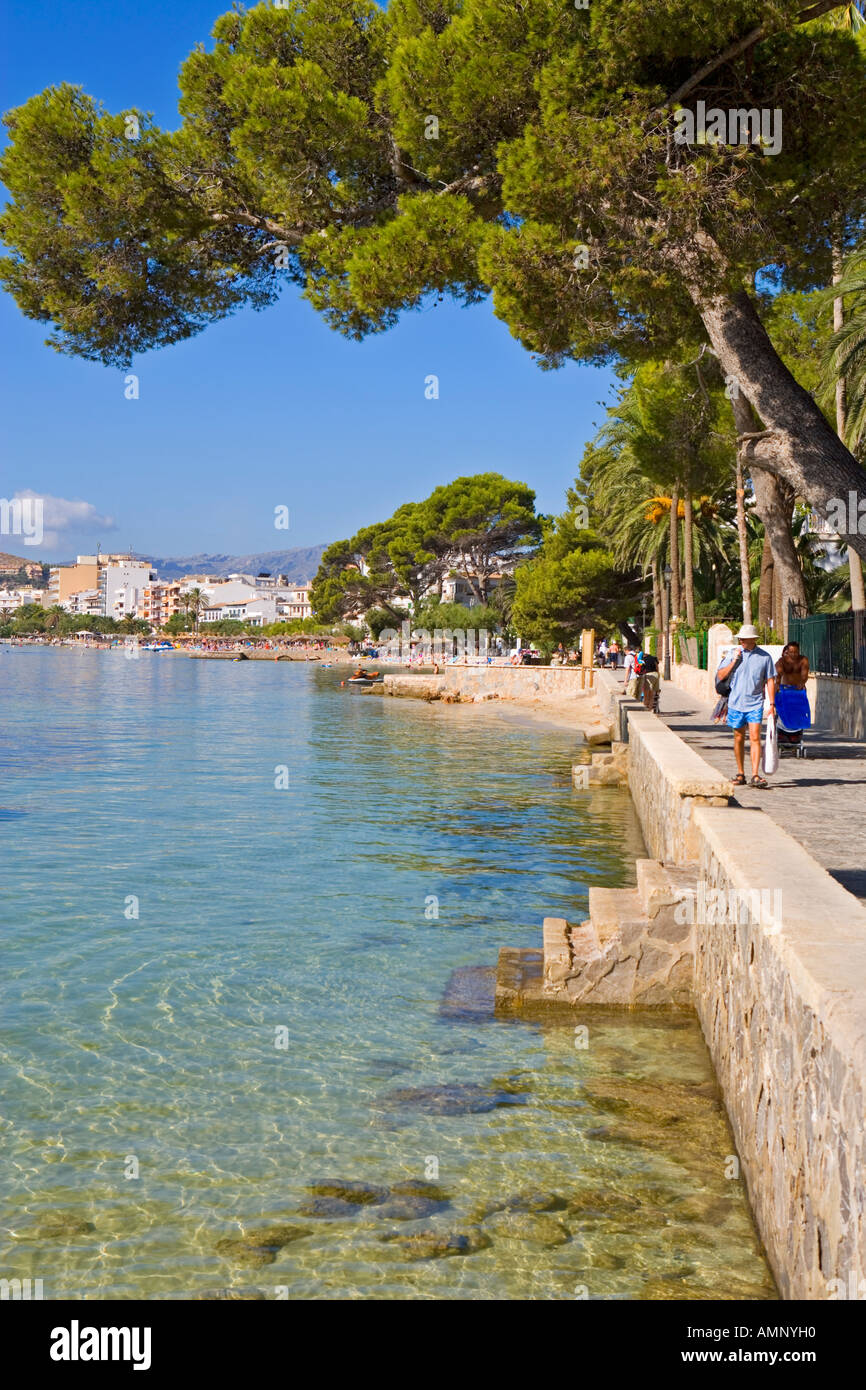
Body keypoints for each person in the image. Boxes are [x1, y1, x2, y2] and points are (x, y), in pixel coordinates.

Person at [716, 624, 776, 788]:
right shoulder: (733, 654)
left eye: (744, 638)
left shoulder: (765, 657)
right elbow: (720, 675)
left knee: (755, 738)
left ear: (752, 639)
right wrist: (734, 661)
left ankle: (755, 775)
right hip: (735, 703)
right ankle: (741, 773)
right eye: (740, 638)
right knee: (738, 737)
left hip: (755, 703)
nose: (741, 640)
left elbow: (770, 680)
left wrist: (772, 704)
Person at [775, 641, 811, 731]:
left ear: (799, 651)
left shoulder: (803, 660)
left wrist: (802, 683)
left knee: (798, 713)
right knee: (784, 712)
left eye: (796, 652)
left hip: (798, 690)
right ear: (787, 651)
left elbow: (804, 675)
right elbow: (778, 674)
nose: (794, 654)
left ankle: (798, 731)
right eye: (791, 652)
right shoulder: (782, 661)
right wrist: (777, 684)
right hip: (785, 690)